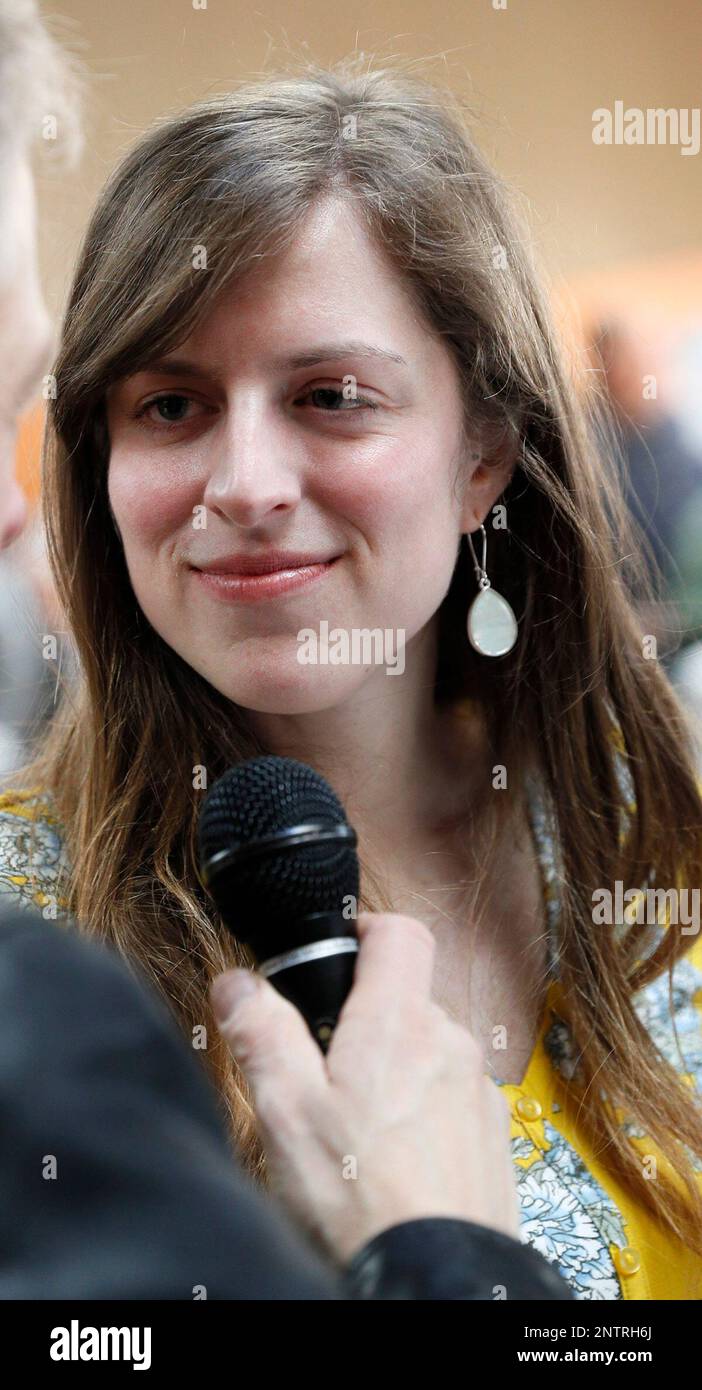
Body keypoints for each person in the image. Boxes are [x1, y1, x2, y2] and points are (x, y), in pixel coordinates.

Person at [1, 50, 702, 1300]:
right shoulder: (27, 953)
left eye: (330, 395)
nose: (247, 483)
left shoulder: (666, 836)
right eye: (171, 406)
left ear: (484, 450)